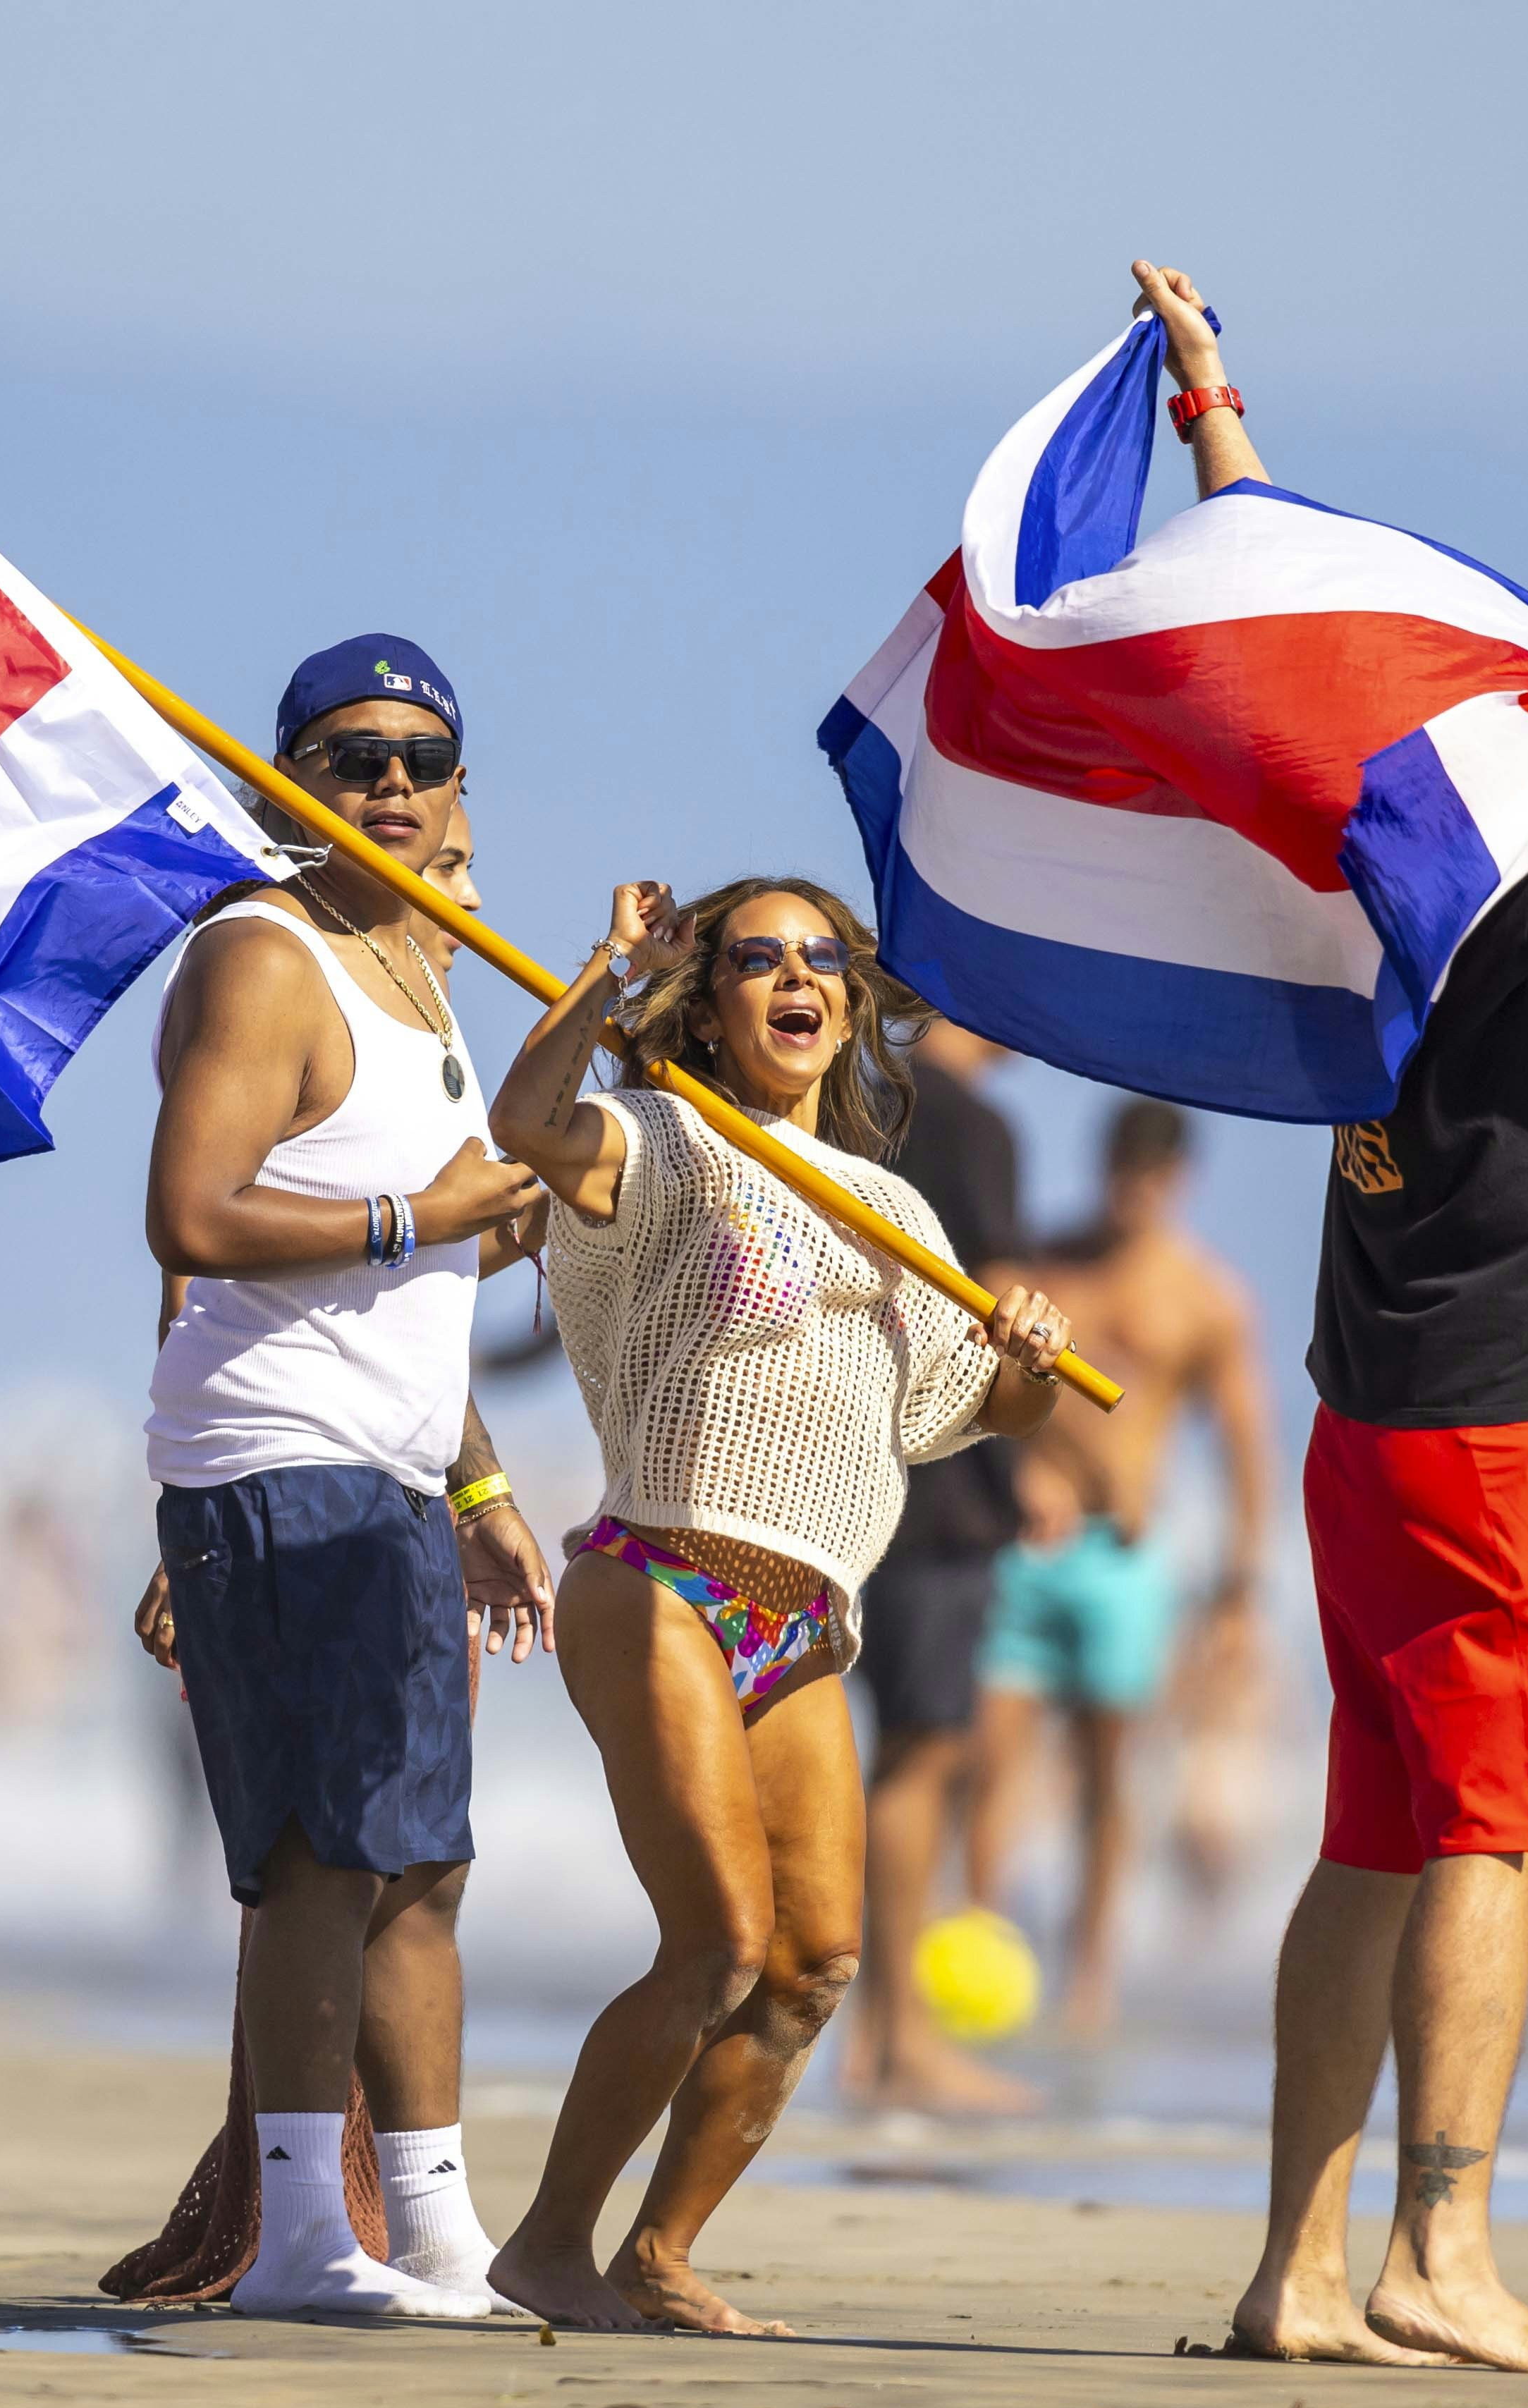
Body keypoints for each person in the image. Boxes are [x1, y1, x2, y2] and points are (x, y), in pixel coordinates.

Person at [1143, 243, 1528, 2373]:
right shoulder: (1489, 884)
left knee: (1378, 1833)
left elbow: (1258, 630)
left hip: (1362, 1405)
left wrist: (1215, 419)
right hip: (1495, 1419)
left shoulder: (1298, 871)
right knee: (1488, 1829)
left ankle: (1292, 2270)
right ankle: (1437, 2251)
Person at [485, 874, 1072, 2333]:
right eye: (757, 959)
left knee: (816, 1963)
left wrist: (1032, 1360)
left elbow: (962, 1410)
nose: (795, 979)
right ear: (714, 994)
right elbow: (528, 1129)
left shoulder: (890, 1207)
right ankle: (549, 2241)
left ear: (854, 1005)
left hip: (807, 1614)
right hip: (662, 1576)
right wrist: (611, 975)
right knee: (720, 1943)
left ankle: (659, 2250)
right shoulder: (667, 1138)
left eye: (823, 960)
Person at [128, 636, 549, 2321]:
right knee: (322, 1855)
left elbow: (418, 1307)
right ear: (277, 784)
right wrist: (423, 1217)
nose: (383, 783)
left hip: (389, 1466)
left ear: (459, 800)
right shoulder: (265, 955)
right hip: (272, 1457)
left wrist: (481, 1490)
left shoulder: (427, 976)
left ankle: (439, 2221)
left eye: (413, 757)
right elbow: (192, 1219)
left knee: (423, 1858)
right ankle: (304, 2234)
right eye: (342, 756)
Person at [971, 1099, 1271, 2042]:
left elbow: (1245, 1448)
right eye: (1120, 1170)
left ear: (1179, 1180)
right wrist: (1016, 1473)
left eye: (1150, 1176)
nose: (1131, 1192)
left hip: (1130, 1558)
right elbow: (970, 1384)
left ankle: (1089, 1974)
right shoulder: (1043, 1266)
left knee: (1107, 1774)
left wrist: (1238, 1590)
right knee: (991, 1762)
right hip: (1024, 1546)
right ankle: (975, 1953)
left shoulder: (1205, 1298)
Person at [844, 1017, 1039, 2113]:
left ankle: (854, 2029)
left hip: (830, 1467)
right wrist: (1086, 1462)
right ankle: (895, 2039)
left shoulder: (854, 1103)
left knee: (833, 1749)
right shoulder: (971, 1121)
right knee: (919, 1759)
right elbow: (1007, 1315)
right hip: (940, 1484)